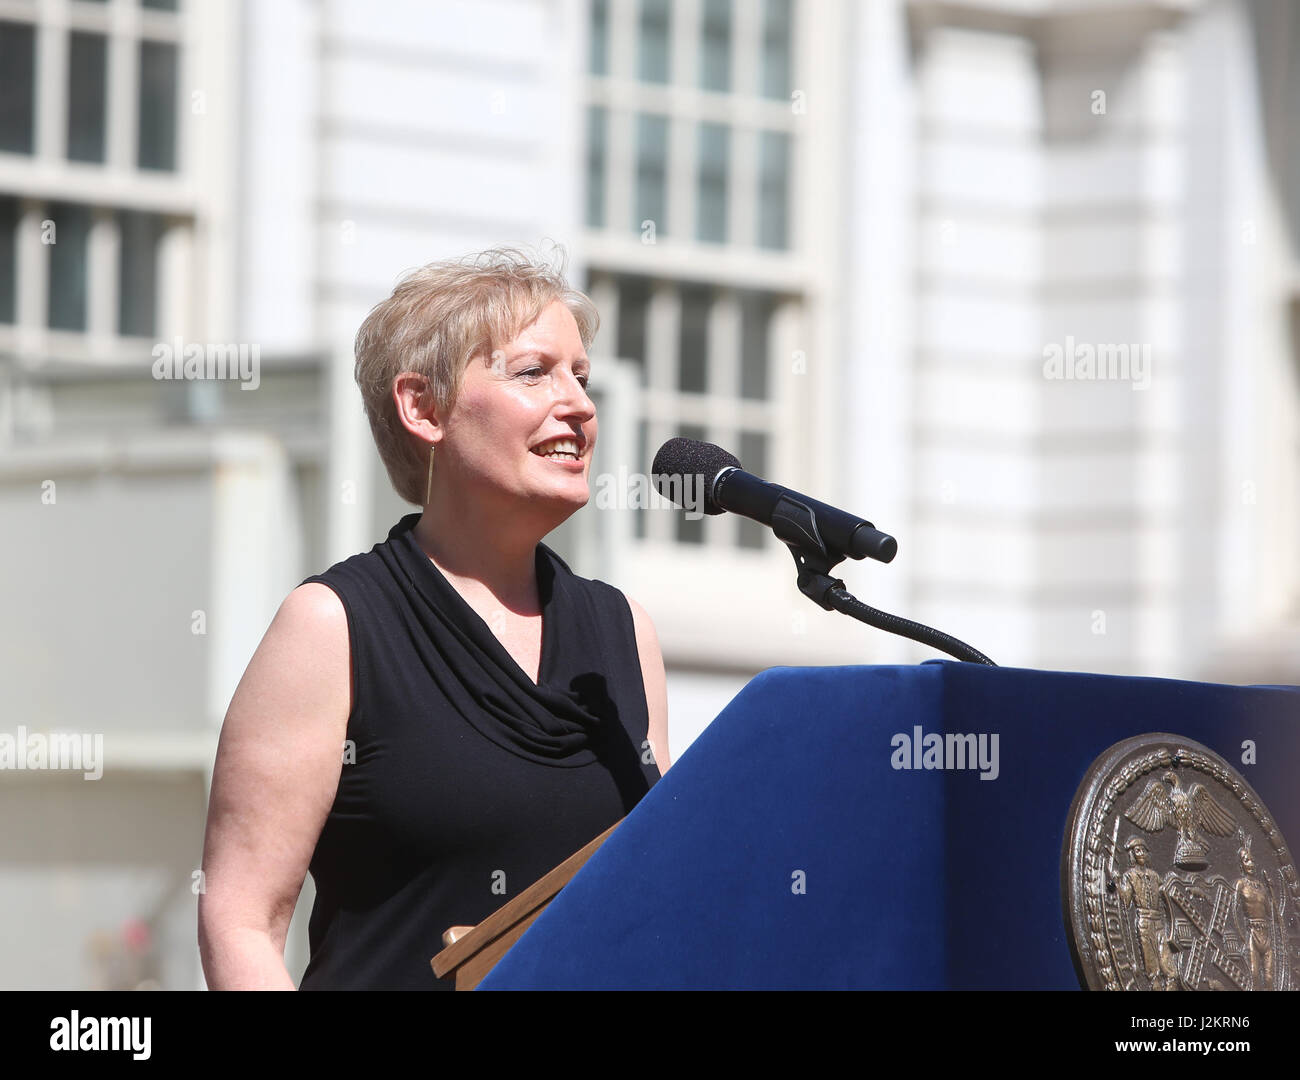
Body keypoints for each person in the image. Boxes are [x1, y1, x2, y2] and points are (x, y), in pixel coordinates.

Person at [198, 247, 670, 990]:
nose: (579, 403)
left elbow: (654, 893)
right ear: (423, 408)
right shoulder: (334, 626)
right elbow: (240, 919)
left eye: (580, 376)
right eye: (533, 371)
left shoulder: (624, 631)